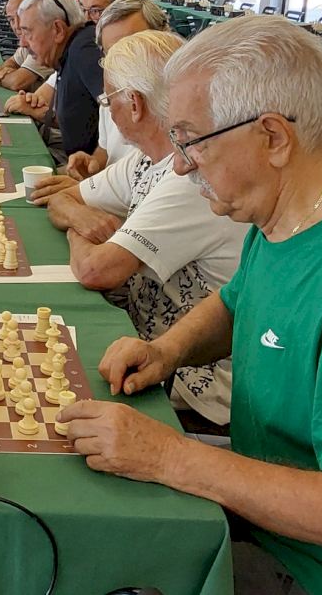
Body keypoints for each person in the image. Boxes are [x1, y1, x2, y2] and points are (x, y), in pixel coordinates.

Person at [58, 15, 322, 595]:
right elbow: (238, 303)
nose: (179, 163)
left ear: (274, 138)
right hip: (268, 515)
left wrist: (168, 458)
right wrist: (167, 350)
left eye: (192, 140)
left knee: (87, 564)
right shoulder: (285, 213)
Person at [46, 30, 246, 430]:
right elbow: (61, 198)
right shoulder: (147, 159)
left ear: (134, 104)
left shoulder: (190, 177)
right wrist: (81, 220)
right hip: (144, 342)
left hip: (193, 385)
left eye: (108, 102)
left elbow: (96, 270)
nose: (107, 111)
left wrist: (79, 227)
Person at [30, 0, 174, 201]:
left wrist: (88, 192)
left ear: (163, 38)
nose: (123, 61)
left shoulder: (176, 106)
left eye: (134, 46)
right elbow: (106, 150)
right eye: (112, 52)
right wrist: (93, 165)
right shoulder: (112, 94)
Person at [14, 0, 103, 161]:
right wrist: (43, 113)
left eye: (28, 32)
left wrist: (97, 166)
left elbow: (118, 115)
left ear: (58, 30)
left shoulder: (84, 51)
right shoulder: (70, 50)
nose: (22, 43)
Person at [0, 0, 54, 92]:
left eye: (21, 16)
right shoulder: (27, 40)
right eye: (12, 20)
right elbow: (12, 61)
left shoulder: (44, 40)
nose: (17, 26)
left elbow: (17, 82)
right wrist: (7, 69)